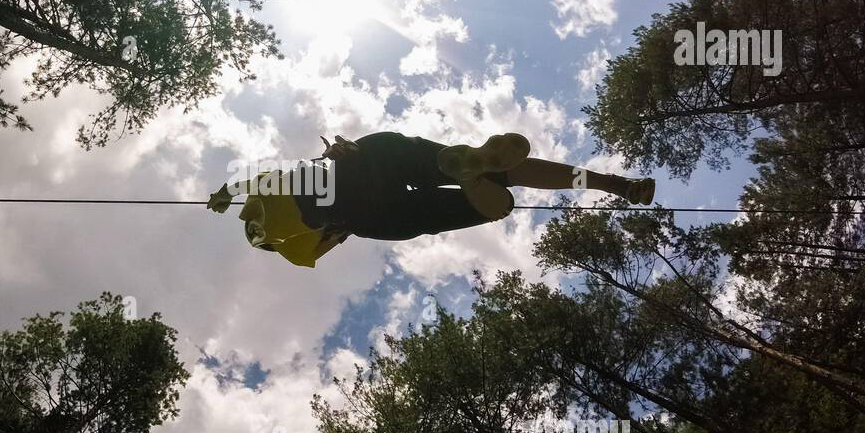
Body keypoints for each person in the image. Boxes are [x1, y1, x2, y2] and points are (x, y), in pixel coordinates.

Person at [207, 131, 656, 267]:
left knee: (496, 204)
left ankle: (474, 182)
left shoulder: (291, 248)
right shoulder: (271, 186)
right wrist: (224, 193)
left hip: (373, 211)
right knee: (504, 171)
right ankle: (615, 185)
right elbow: (248, 178)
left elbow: (329, 242)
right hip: (367, 161)